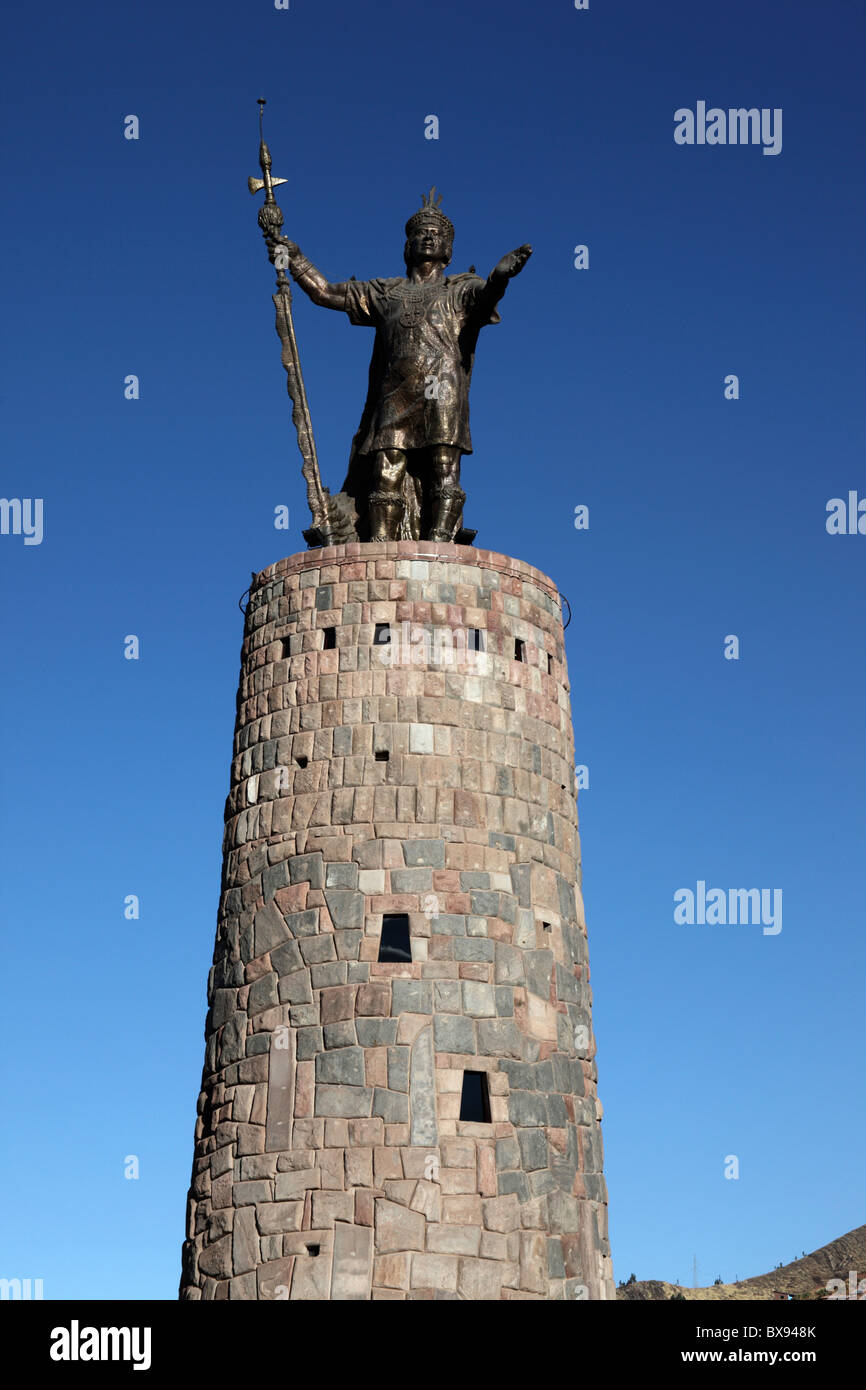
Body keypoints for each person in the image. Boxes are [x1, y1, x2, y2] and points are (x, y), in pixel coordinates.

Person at [268, 189, 531, 541]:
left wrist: (500, 277)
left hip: (443, 387)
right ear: (407, 246)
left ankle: (439, 541)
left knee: (444, 465)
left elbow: (486, 298)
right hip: (395, 391)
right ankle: (380, 542)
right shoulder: (386, 292)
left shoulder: (460, 289)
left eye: (436, 234)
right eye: (419, 233)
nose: (427, 237)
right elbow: (326, 293)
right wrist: (294, 258)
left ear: (448, 250)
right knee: (386, 467)